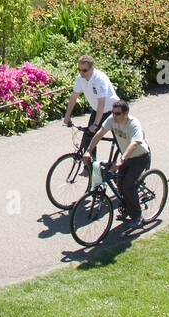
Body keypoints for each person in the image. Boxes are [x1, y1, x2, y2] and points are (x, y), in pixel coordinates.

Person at [85, 100, 150, 229]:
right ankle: (128, 207)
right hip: (125, 156)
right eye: (113, 113)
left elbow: (134, 143)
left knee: (127, 185)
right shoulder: (112, 119)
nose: (114, 116)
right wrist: (88, 151)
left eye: (118, 113)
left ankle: (137, 216)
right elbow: (100, 133)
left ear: (126, 114)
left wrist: (122, 159)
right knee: (118, 181)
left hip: (139, 157)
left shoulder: (134, 124)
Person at [63, 55, 118, 151]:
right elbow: (74, 97)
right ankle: (89, 165)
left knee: (120, 140)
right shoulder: (80, 78)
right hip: (98, 110)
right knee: (87, 140)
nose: (81, 73)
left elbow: (102, 103)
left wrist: (96, 124)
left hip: (113, 110)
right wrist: (67, 116)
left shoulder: (99, 79)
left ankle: (128, 160)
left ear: (92, 68)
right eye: (79, 70)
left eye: (84, 70)